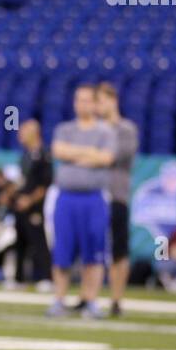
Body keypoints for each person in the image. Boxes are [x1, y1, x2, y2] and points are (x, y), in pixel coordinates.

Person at [49, 85, 114, 319]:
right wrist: (90, 154)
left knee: (94, 252)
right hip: (67, 197)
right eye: (78, 99)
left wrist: (75, 154)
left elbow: (106, 158)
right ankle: (58, 300)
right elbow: (58, 151)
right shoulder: (64, 129)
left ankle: (91, 300)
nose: (82, 104)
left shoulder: (105, 131)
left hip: (93, 199)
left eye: (87, 100)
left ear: (95, 104)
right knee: (62, 251)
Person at [97, 83, 138, 317]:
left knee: (118, 250)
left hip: (116, 194)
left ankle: (116, 298)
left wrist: (93, 154)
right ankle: (88, 295)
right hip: (94, 194)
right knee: (92, 247)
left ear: (113, 100)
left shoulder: (126, 129)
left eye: (102, 101)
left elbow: (114, 156)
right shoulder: (94, 129)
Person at [12, 118, 52, 286]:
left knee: (38, 242)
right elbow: (23, 180)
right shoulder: (25, 155)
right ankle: (19, 278)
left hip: (34, 206)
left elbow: (44, 184)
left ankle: (45, 277)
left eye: (24, 131)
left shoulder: (43, 155)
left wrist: (29, 200)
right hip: (21, 205)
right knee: (20, 241)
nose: (20, 135)